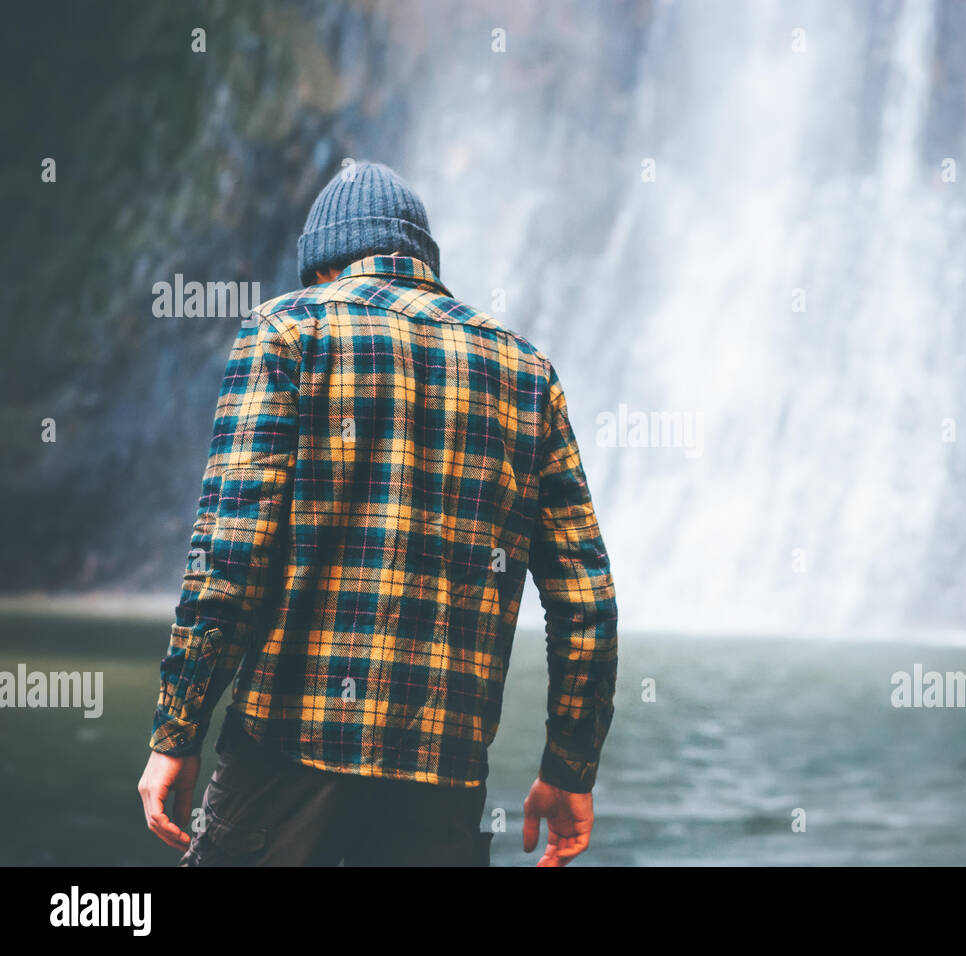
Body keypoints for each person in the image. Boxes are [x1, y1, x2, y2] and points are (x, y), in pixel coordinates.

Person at [136, 160, 618, 866]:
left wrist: (177, 731)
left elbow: (229, 558)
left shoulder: (287, 330)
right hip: (444, 780)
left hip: (287, 752)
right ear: (423, 262)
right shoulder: (527, 373)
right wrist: (569, 768)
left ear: (323, 267)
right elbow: (587, 601)